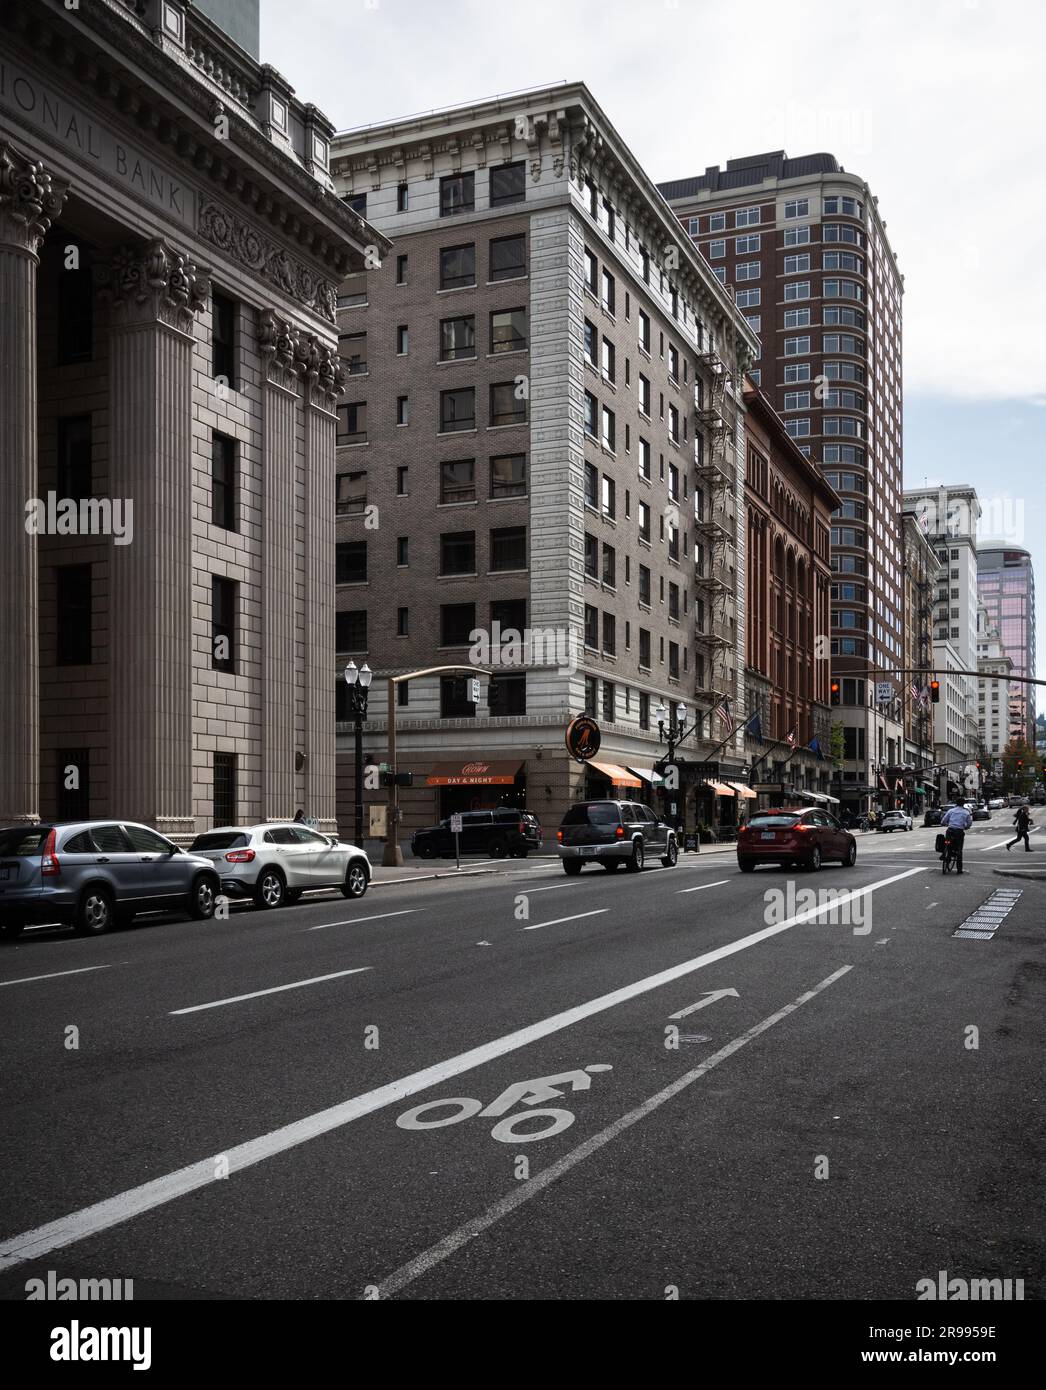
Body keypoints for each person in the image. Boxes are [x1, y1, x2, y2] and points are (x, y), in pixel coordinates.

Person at [940, 802, 973, 872]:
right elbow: (969, 823)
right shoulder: (966, 812)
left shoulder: (951, 811)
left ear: (956, 804)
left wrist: (944, 823)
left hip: (950, 831)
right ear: (963, 804)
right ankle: (959, 869)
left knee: (947, 842)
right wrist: (966, 827)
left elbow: (943, 821)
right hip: (959, 832)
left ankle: (945, 853)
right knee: (959, 849)